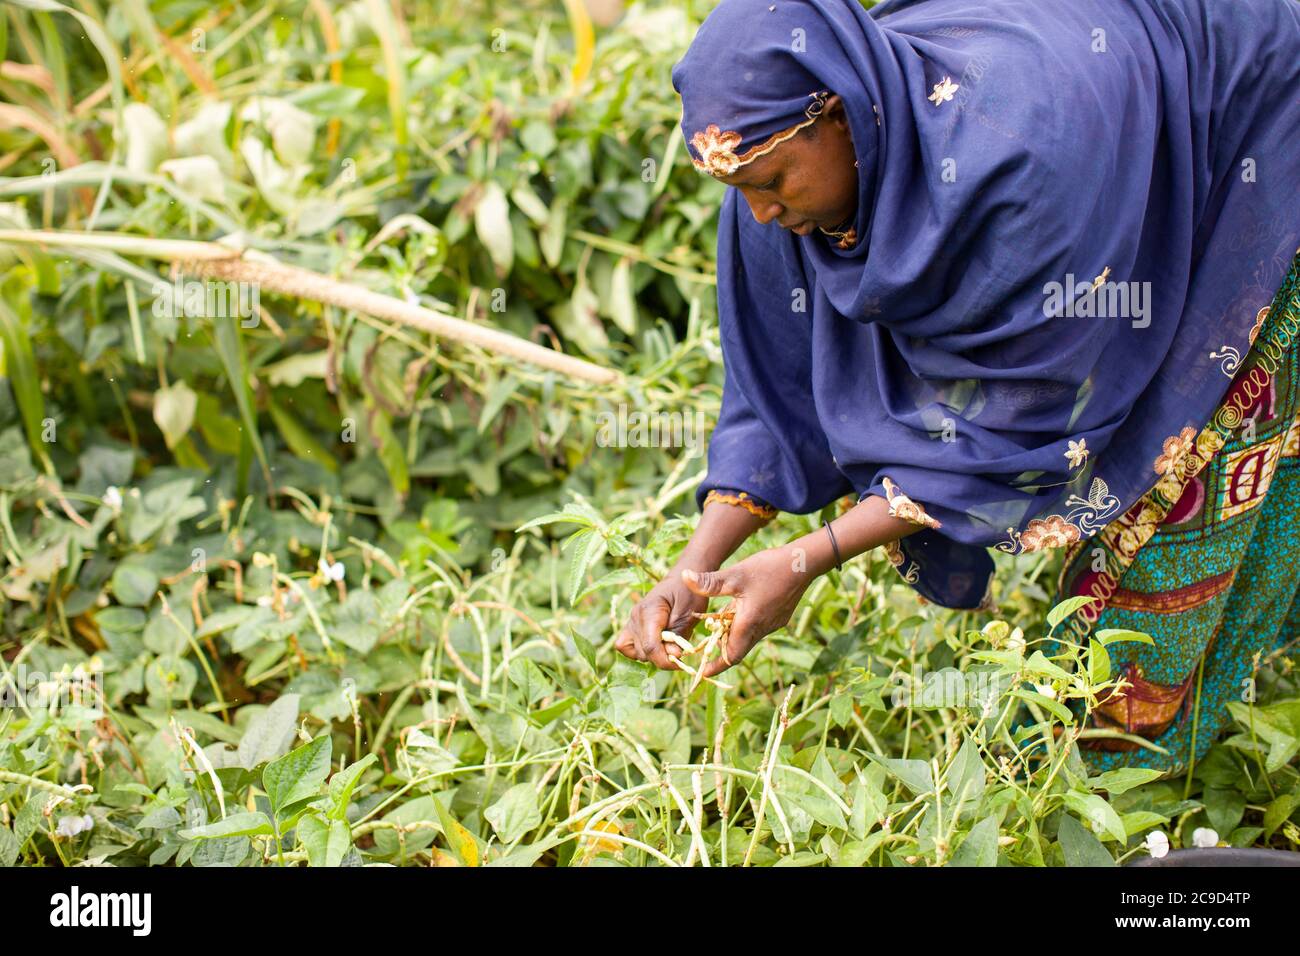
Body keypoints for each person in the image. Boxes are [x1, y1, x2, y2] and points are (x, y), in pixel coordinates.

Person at [614, 0, 1300, 774]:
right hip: (1105, 85)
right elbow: (774, 386)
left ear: (841, 114)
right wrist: (691, 570)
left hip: (1249, 104)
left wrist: (805, 560)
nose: (758, 209)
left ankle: (1128, 787)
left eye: (770, 182)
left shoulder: (1025, 162)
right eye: (735, 187)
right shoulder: (765, 169)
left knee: (1191, 475)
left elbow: (1019, 429)